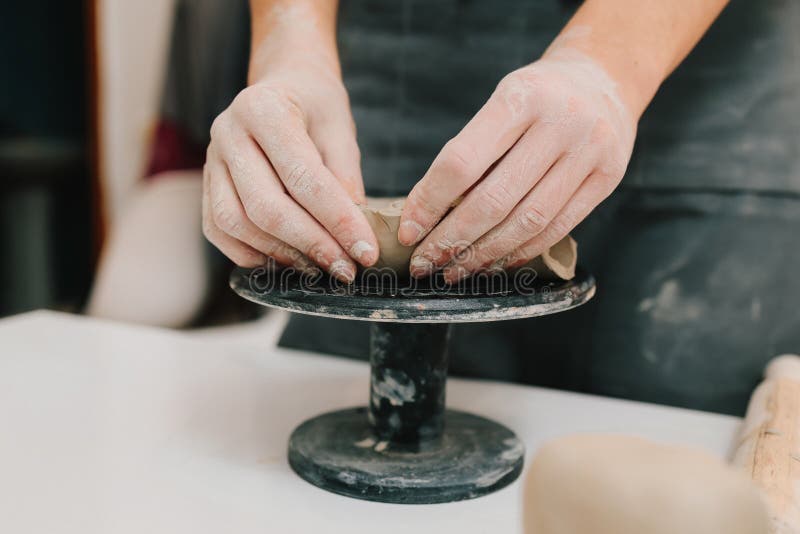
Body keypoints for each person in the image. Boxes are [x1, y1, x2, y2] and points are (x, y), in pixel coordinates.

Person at [203, 0, 800, 415]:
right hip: (404, 62)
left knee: (671, 447)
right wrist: (290, 54)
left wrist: (610, 64)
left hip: (707, 81)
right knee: (341, 435)